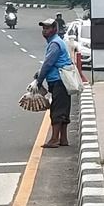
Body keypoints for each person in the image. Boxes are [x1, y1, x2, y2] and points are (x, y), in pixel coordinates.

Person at [36, 18, 75, 148]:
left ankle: (54, 139)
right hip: (61, 81)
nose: (44, 31)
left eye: (47, 28)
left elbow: (48, 63)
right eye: (43, 28)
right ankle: (63, 139)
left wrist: (39, 80)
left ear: (54, 29)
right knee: (63, 108)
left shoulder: (55, 44)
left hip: (59, 81)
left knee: (57, 110)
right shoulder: (56, 42)